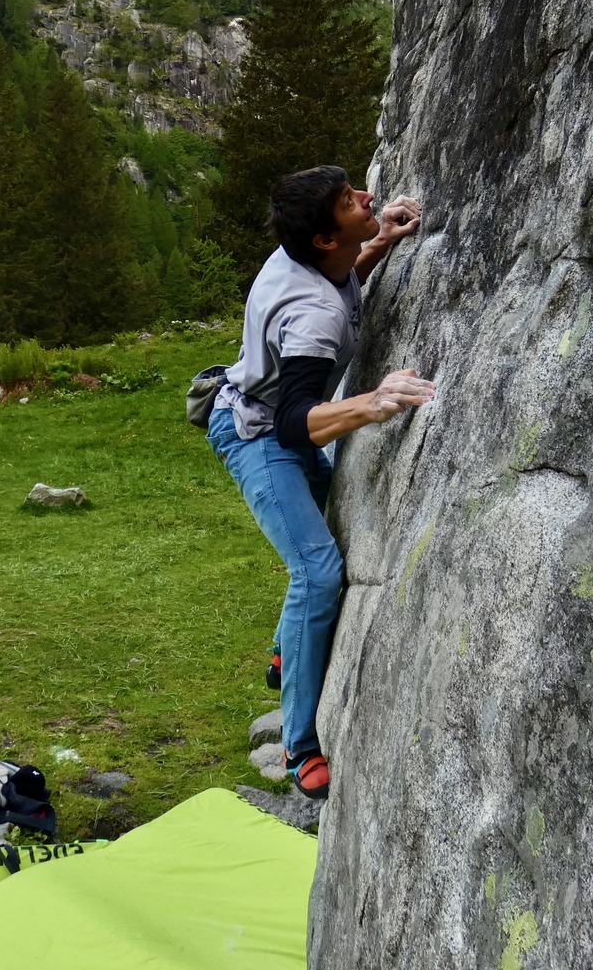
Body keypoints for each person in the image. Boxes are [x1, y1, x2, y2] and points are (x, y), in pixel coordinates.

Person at [206, 166, 435, 799]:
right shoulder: (311, 317)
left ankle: (287, 652)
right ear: (325, 241)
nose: (367, 198)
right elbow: (290, 424)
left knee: (319, 543)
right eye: (350, 204)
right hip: (258, 435)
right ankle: (300, 744)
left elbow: (339, 269)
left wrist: (379, 240)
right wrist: (373, 401)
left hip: (266, 416)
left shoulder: (310, 257)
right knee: (317, 570)